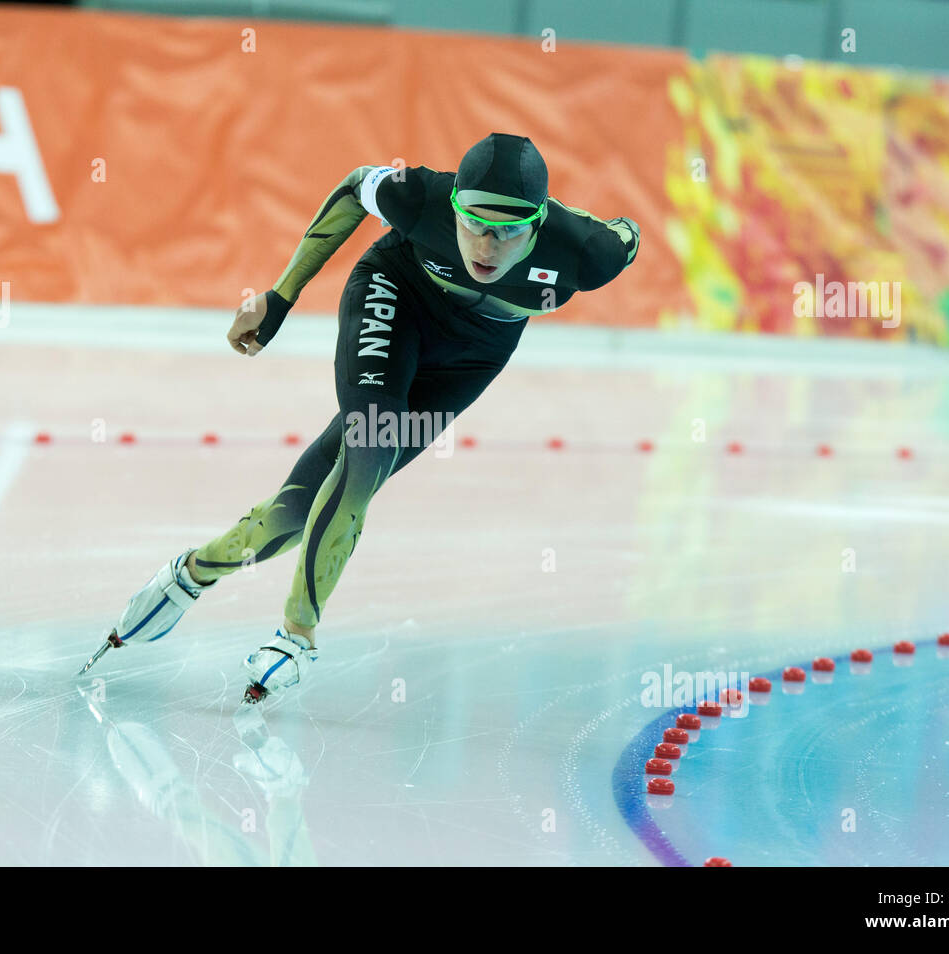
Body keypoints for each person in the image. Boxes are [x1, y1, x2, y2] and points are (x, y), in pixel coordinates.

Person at [78, 133, 640, 704]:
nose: (488, 246)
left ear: (540, 222)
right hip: (395, 298)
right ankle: (296, 633)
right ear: (454, 208)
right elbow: (353, 189)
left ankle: (190, 574)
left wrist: (607, 228)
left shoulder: (586, 253)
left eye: (510, 229)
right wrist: (281, 296)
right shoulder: (421, 197)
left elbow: (627, 231)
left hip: (472, 358)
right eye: (473, 223)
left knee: (294, 513)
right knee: (370, 448)